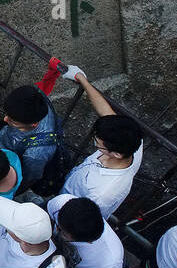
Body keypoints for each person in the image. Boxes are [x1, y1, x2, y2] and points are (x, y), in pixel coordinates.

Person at [58, 66, 144, 219]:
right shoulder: (131, 140)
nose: (96, 143)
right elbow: (106, 112)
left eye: (98, 143)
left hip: (66, 212)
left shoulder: (102, 194)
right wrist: (81, 78)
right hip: (66, 188)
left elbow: (81, 220)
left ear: (116, 153)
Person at [48, 194, 124, 268]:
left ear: (89, 241)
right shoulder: (61, 203)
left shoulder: (108, 265)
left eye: (63, 233)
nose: (56, 230)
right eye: (57, 226)